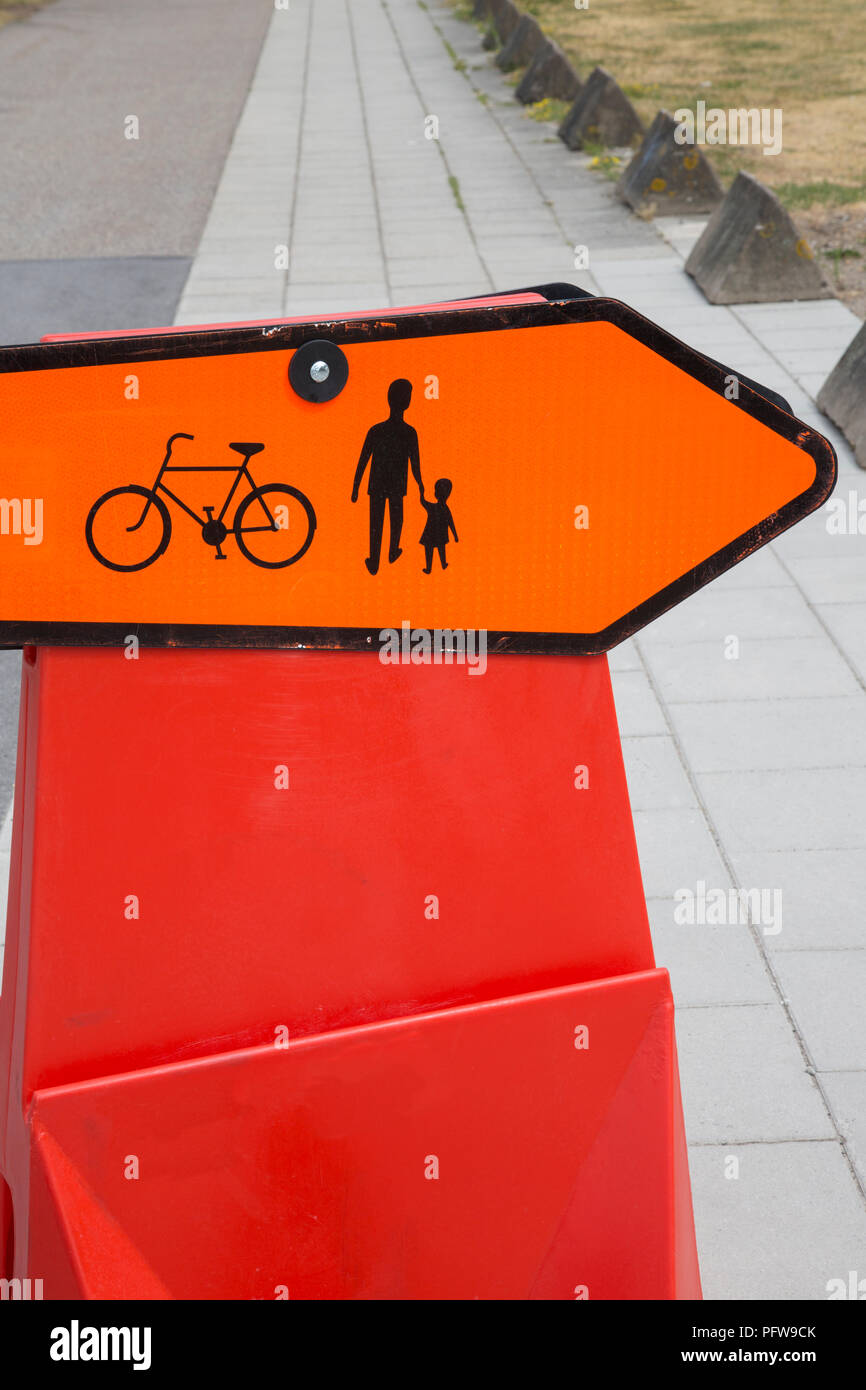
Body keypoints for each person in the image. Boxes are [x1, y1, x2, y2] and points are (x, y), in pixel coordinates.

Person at [351, 378, 423, 574]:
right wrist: (420, 485)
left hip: (377, 484)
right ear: (407, 401)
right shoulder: (409, 432)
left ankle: (375, 560)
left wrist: (356, 487)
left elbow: (363, 461)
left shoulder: (377, 430)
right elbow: (415, 464)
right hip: (396, 484)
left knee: (377, 522)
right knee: (396, 518)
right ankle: (392, 551)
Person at [420, 478, 458, 572]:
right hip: (440, 534)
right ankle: (443, 564)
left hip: (430, 533)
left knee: (429, 549)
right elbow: (451, 523)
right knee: (441, 548)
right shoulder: (445, 509)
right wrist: (455, 536)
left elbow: (423, 502)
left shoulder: (433, 507)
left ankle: (430, 568)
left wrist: (421, 492)